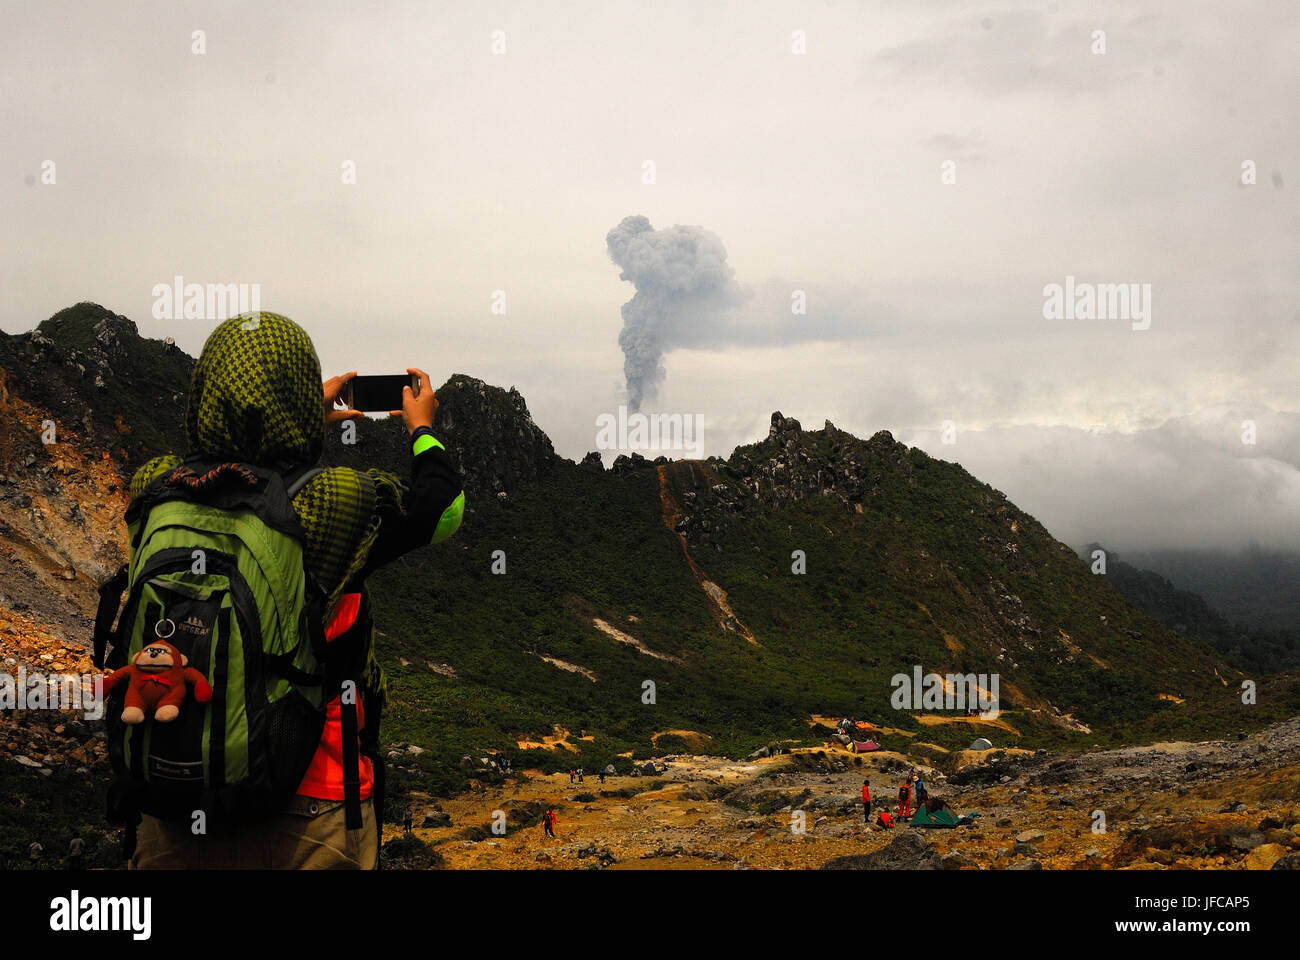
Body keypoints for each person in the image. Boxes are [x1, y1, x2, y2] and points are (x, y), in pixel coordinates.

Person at [124, 313, 465, 870]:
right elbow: (443, 509)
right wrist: (421, 429)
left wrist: (292, 430)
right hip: (313, 804)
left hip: (174, 801)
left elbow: (227, 480)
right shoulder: (338, 500)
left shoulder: (155, 486)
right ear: (300, 397)